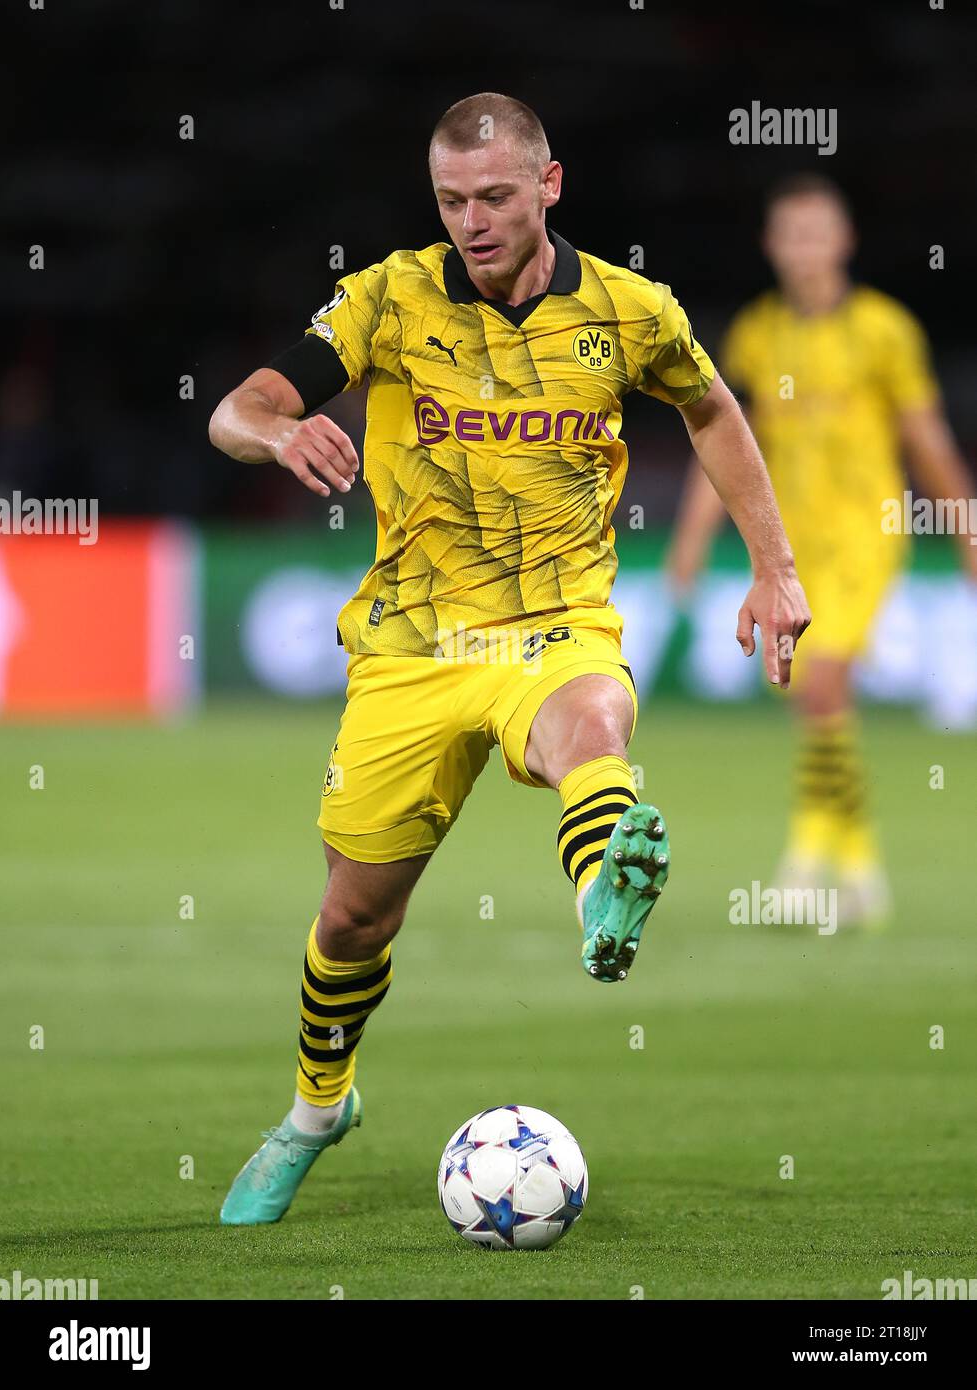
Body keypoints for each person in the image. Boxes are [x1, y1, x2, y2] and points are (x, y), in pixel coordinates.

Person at [209, 93, 809, 1226]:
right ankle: (315, 1107)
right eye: (450, 200)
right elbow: (241, 407)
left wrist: (774, 565)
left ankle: (603, 893)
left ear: (550, 186)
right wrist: (282, 430)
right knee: (352, 919)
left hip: (555, 623)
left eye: (493, 196)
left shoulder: (630, 312)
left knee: (593, 722)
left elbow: (714, 411)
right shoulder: (387, 299)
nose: (471, 221)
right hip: (413, 645)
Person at [668, 173, 975, 926]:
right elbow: (729, 446)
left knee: (825, 683)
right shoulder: (756, 334)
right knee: (817, 700)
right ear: (772, 246)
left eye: (818, 233)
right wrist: (691, 536)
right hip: (789, 546)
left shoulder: (884, 331)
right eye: (791, 235)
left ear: (844, 242)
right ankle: (861, 864)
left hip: (867, 538)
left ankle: (805, 863)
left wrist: (967, 533)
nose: (805, 250)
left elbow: (926, 443)